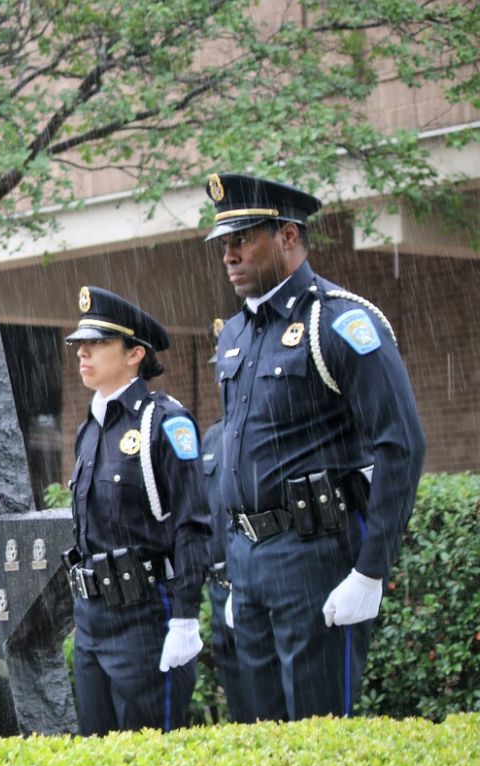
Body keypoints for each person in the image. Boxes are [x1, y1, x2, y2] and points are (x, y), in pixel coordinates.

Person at [205, 172, 425, 721]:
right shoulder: (234, 334)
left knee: (318, 736)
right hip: (249, 563)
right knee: (259, 745)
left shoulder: (340, 319)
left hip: (317, 555)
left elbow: (401, 444)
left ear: (288, 236)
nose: (230, 254)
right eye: (225, 243)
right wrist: (237, 566)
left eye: (244, 238)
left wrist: (371, 571)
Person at [66, 286, 212, 736]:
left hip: (145, 619)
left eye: (98, 343)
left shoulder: (164, 422)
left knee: (147, 763)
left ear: (134, 354)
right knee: (97, 765)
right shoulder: (88, 429)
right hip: (92, 621)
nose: (83, 352)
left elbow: (193, 525)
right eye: (79, 344)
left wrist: (186, 616)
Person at [199, 321, 249, 723]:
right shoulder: (213, 438)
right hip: (218, 590)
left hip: (253, 581)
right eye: (218, 370)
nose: (222, 379)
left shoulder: (260, 432)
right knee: (238, 703)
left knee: (269, 709)